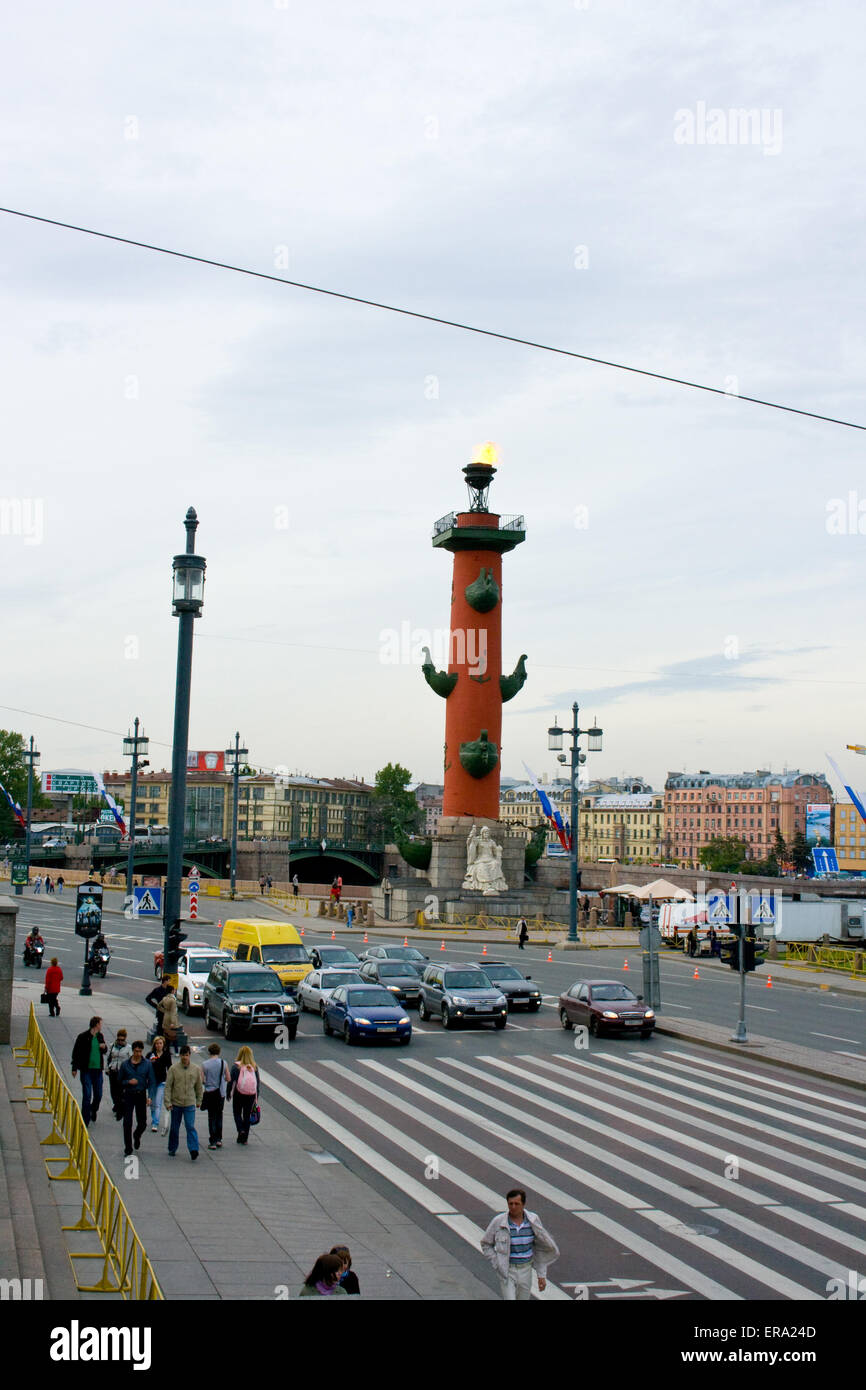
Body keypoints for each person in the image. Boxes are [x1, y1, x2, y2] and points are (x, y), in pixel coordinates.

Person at [480, 1188, 560, 1301]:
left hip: (526, 1270)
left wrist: (541, 1276)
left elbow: (540, 1249)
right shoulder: (499, 1221)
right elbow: (486, 1243)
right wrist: (496, 1261)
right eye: (510, 1204)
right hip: (507, 1270)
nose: (513, 1207)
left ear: (523, 1204)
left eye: (517, 1204)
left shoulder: (533, 1221)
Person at [164, 1045, 202, 1159]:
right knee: (175, 1127)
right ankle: (172, 1147)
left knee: (190, 1126)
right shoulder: (173, 1069)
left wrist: (199, 1100)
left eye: (186, 1055)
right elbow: (168, 1087)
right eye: (183, 1055)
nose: (185, 1057)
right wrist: (167, 1102)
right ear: (180, 1055)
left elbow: (198, 1086)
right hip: (176, 1103)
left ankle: (193, 1149)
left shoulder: (195, 1069)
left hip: (189, 1103)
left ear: (189, 1055)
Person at [119, 1041, 154, 1156]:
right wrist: (128, 1081)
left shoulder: (147, 1064)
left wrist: (150, 1096)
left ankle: (137, 1135)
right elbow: (119, 1081)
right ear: (132, 1051)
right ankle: (128, 1148)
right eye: (136, 1051)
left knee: (142, 1123)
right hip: (129, 1094)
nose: (138, 1054)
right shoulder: (125, 1065)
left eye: (140, 1051)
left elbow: (152, 1081)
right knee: (127, 1122)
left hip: (141, 1094)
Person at [71, 1017, 107, 1126]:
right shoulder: (83, 1037)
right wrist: (74, 1067)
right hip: (87, 1070)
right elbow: (76, 1052)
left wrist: (103, 1047)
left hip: (97, 1070)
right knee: (87, 1095)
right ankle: (85, 1120)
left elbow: (104, 1050)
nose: (101, 1026)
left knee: (98, 1094)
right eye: (100, 1024)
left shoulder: (100, 1036)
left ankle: (93, 1109)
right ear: (96, 1025)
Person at [200, 1042, 231, 1149]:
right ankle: (219, 1139)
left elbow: (202, 1080)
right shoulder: (224, 1063)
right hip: (220, 1093)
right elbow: (228, 1078)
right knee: (219, 1115)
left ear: (209, 1052)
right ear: (219, 1052)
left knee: (211, 1116)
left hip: (209, 1093)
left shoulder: (205, 1064)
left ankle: (212, 1140)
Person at [227, 1045, 260, 1144]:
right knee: (247, 1115)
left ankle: (240, 1130)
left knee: (237, 1112)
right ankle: (245, 1139)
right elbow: (257, 1082)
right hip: (250, 1094)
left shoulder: (236, 1066)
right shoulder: (254, 1067)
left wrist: (228, 1092)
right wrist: (256, 1096)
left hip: (239, 1093)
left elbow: (230, 1081)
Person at [106, 1028, 133, 1120]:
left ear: (125, 1039)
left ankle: (119, 1107)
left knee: (120, 1090)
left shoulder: (129, 1048)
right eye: (119, 1039)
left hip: (123, 1072)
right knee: (113, 1090)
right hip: (113, 1070)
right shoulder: (112, 1046)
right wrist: (107, 1068)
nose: (120, 1041)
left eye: (122, 1040)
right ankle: (116, 1103)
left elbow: (131, 1060)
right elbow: (108, 1058)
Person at [147, 1035, 171, 1132]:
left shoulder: (166, 1055)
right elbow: (144, 1065)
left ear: (163, 1044)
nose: (159, 1045)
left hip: (162, 1081)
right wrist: (150, 1062)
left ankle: (155, 1122)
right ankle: (154, 1117)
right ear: (154, 1045)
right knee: (152, 1102)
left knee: (158, 1102)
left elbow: (169, 1067)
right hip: (152, 1081)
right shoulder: (151, 1054)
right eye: (157, 1043)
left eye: (160, 1043)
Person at [156, 982, 179, 1052]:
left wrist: (164, 1011)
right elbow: (173, 1011)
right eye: (174, 990)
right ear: (172, 991)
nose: (175, 991)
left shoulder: (164, 998)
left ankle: (167, 1050)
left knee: (166, 1036)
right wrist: (172, 1022)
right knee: (174, 1036)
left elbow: (158, 1006)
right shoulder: (173, 1000)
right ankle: (176, 1051)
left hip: (165, 1018)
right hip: (172, 1020)